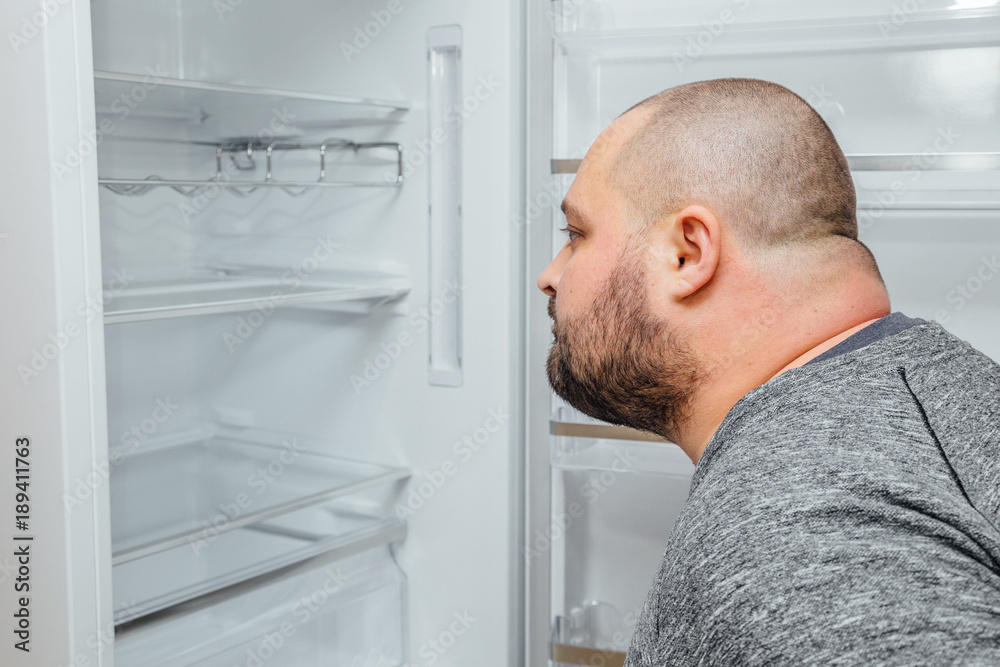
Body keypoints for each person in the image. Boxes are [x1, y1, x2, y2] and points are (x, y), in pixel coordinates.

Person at [536, 78, 1000, 666]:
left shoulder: (796, 547)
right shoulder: (951, 387)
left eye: (577, 234)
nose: (550, 275)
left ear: (687, 253)